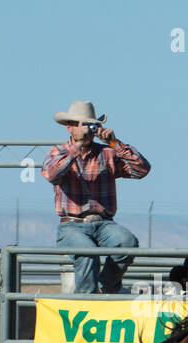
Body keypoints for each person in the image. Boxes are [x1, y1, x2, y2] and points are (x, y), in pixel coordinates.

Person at [41, 101, 150, 294]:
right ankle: (86, 299)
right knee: (87, 252)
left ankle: (106, 286)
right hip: (72, 224)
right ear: (70, 127)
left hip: (104, 222)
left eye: (92, 125)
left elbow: (142, 170)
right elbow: (51, 175)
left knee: (127, 243)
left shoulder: (107, 153)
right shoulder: (58, 152)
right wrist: (77, 149)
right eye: (83, 124)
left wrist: (115, 144)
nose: (89, 129)